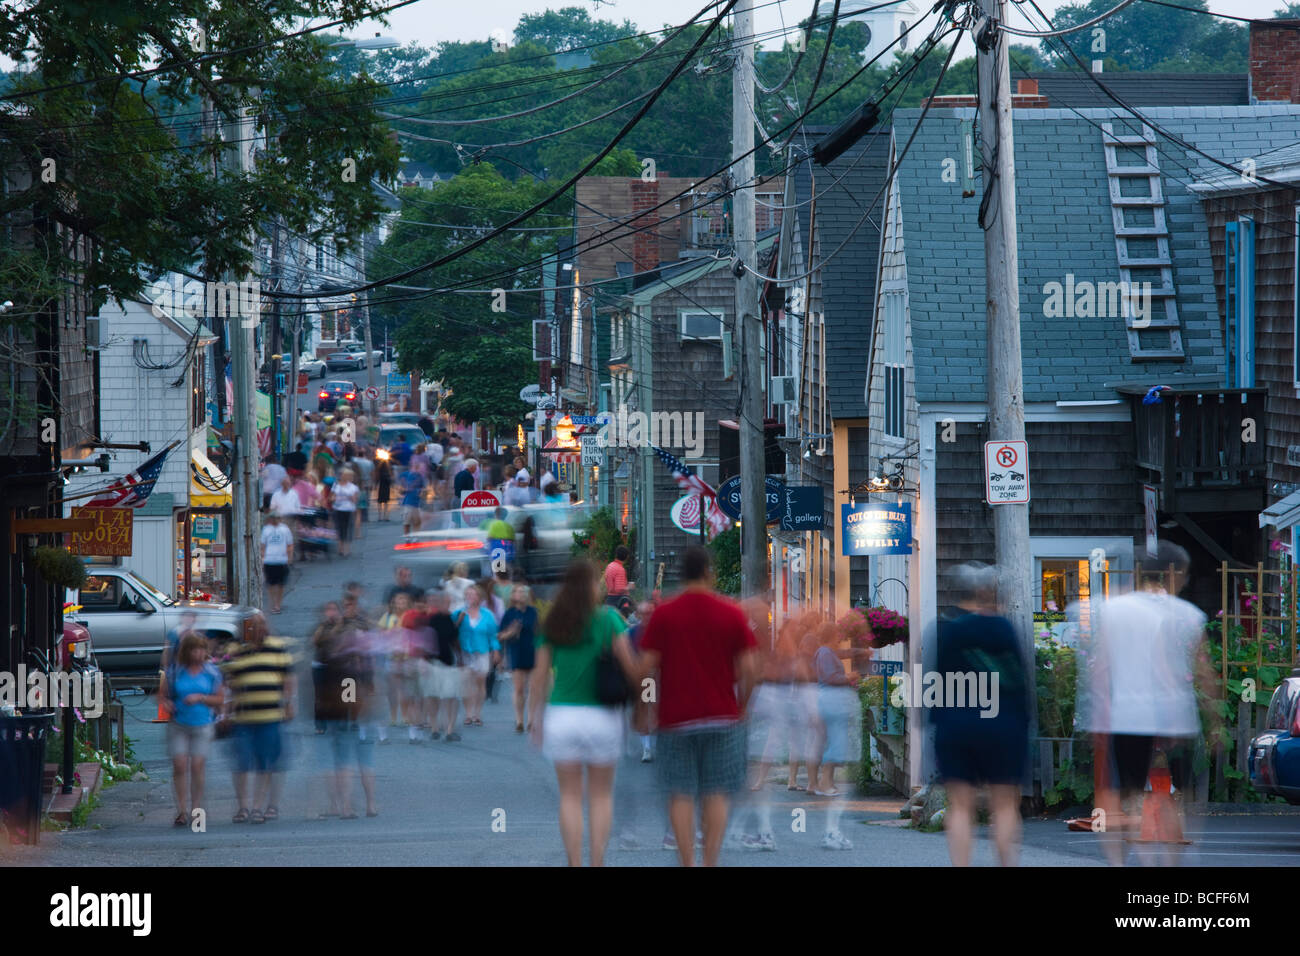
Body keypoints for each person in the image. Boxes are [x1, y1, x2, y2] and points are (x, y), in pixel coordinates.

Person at [1077, 541, 1216, 866]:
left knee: (1130, 796)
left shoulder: (1112, 609)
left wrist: (1094, 716)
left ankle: (1127, 862)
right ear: (1172, 573)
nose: (1185, 580)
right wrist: (1215, 721)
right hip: (1176, 717)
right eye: (1183, 573)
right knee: (1178, 796)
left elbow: (1101, 668)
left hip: (1127, 716)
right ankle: (1170, 863)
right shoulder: (1189, 614)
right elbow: (1205, 671)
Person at [636, 547, 759, 867]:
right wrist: (743, 704)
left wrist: (645, 707)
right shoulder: (731, 612)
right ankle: (710, 861)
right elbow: (750, 669)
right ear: (709, 572)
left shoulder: (665, 614)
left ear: (681, 575)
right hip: (722, 715)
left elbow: (646, 670)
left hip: (674, 718)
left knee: (680, 792)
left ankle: (687, 861)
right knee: (716, 791)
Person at [528, 559, 637, 866]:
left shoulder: (553, 622)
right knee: (601, 795)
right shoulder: (610, 619)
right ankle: (597, 861)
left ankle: (574, 862)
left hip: (562, 715)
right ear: (592, 586)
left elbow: (538, 678)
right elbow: (630, 668)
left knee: (570, 797)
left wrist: (535, 719)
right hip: (603, 715)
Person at [931, 562, 1031, 867]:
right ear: (992, 594)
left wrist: (936, 723)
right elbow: (1019, 683)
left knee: (961, 807)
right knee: (1004, 805)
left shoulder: (948, 630)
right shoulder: (1005, 628)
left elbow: (937, 683)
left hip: (956, 725)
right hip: (1004, 725)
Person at [222, 613, 296, 825]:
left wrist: (289, 702)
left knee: (266, 762)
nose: (259, 628)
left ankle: (257, 807)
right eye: (253, 625)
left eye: (262, 624)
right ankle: (243, 807)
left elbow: (288, 677)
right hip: (243, 716)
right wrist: (225, 711)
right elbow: (228, 680)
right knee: (242, 763)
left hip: (270, 715)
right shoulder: (235, 649)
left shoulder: (277, 646)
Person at [161, 633, 224, 827]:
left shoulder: (212, 672)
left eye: (201, 649)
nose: (197, 654)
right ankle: (181, 810)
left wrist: (201, 698)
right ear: (186, 652)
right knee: (180, 764)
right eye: (193, 649)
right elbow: (161, 696)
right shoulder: (175, 672)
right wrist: (167, 704)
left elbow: (220, 699)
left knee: (197, 765)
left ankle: (197, 808)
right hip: (179, 723)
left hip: (203, 723)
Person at [811, 620, 861, 849]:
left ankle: (826, 782)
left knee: (834, 739)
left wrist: (861, 651)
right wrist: (849, 678)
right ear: (833, 635)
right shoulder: (825, 653)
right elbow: (831, 678)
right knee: (837, 740)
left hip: (827, 700)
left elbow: (844, 653)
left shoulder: (825, 651)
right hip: (831, 699)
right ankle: (826, 782)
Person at [453, 585, 499, 727]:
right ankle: (468, 714)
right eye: (468, 595)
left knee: (480, 682)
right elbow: (451, 632)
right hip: (465, 652)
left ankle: (477, 714)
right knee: (467, 683)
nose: (470, 597)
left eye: (473, 595)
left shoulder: (487, 614)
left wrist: (496, 650)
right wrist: (459, 621)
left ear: (479, 597)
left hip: (482, 652)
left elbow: (493, 635)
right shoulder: (458, 613)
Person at [498, 584, 538, 733]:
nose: (521, 594)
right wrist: (511, 632)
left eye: (523, 592)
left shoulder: (533, 612)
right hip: (516, 651)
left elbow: (539, 632)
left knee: (533, 689)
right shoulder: (509, 613)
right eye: (518, 592)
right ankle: (519, 719)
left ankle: (532, 720)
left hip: (532, 651)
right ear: (513, 596)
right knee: (519, 689)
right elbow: (500, 636)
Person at [427, 591, 464, 742]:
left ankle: (449, 730)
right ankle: (435, 728)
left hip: (448, 662)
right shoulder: (432, 620)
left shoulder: (448, 618)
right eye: (447, 602)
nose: (448, 605)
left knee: (451, 696)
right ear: (440, 603)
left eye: (450, 602)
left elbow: (453, 639)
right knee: (435, 696)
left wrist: (460, 658)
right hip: (434, 662)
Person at [260, 510, 293, 614]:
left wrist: (289, 558)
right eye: (273, 518)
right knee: (270, 584)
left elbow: (290, 544)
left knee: (280, 584)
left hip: (281, 560)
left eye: (277, 518)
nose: (275, 520)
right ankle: (273, 603)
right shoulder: (266, 530)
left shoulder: (285, 529)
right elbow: (263, 545)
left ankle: (278, 604)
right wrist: (263, 558)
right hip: (269, 560)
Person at [331, 468, 360, 558]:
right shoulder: (336, 485)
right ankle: (340, 548)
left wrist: (349, 496)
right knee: (339, 528)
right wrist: (334, 498)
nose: (346, 477)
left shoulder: (353, 487)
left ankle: (347, 549)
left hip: (348, 509)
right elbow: (332, 497)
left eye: (349, 475)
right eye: (344, 475)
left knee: (347, 529)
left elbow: (355, 500)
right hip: (338, 509)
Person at [398, 465, 425, 536]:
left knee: (417, 522)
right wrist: (405, 489)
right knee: (407, 522)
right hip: (407, 504)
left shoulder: (420, 476)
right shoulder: (405, 475)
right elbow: (400, 490)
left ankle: (415, 537)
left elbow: (422, 489)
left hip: (416, 504)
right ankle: (407, 538)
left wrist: (421, 494)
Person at [374, 452, 393, 521]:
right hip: (387, 487)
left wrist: (375, 485)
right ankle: (386, 517)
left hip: (381, 487)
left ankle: (380, 517)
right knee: (386, 502)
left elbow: (377, 479)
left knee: (379, 501)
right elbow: (391, 479)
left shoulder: (379, 471)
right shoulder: (388, 471)